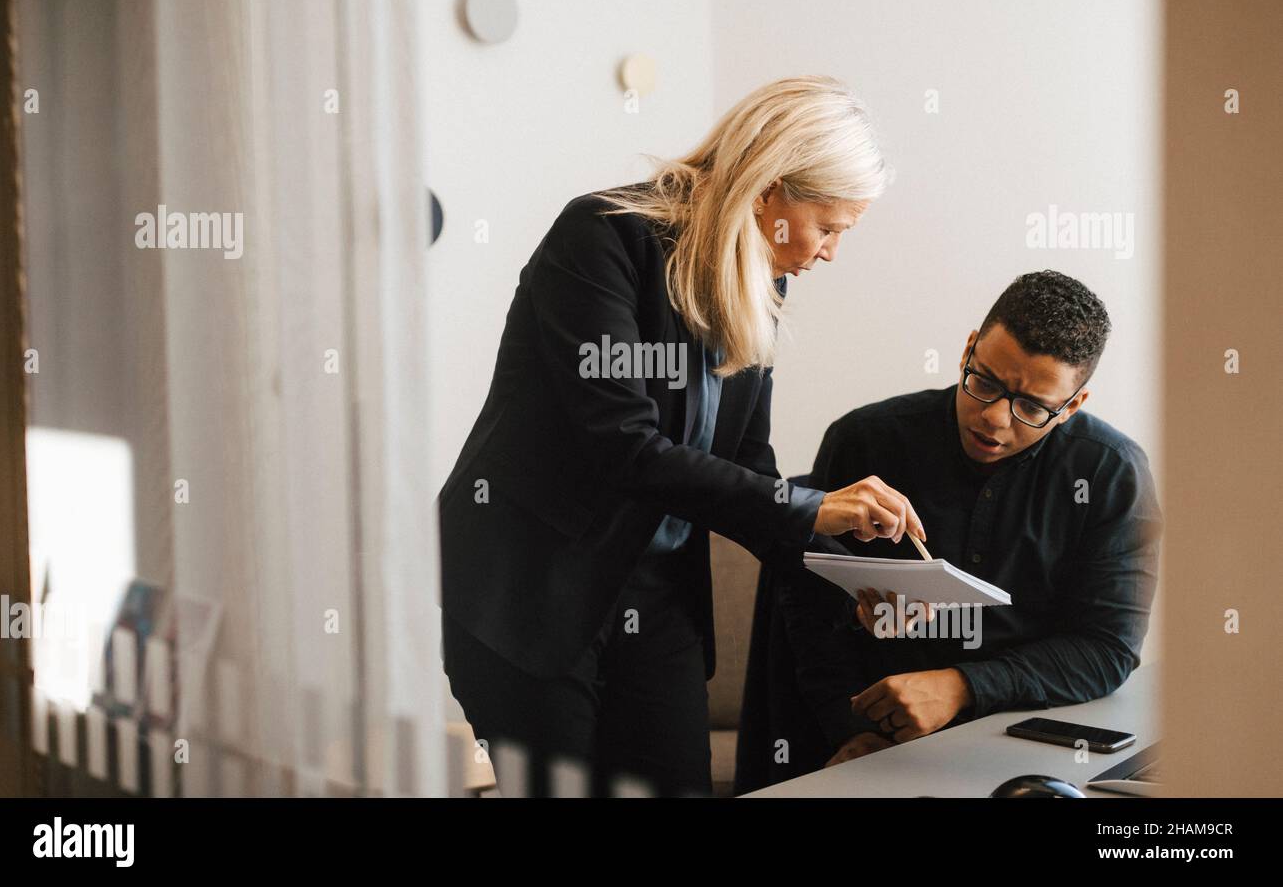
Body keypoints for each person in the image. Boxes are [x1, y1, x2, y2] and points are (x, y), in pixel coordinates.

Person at [439, 75, 926, 797]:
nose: (827, 254)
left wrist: (850, 571)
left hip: (658, 592)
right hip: (531, 591)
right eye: (829, 227)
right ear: (769, 192)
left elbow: (745, 463)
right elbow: (623, 446)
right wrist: (813, 508)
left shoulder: (762, 278)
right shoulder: (604, 236)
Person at [735, 270, 1162, 793]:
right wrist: (851, 729)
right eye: (984, 382)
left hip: (1020, 739)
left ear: (1072, 406)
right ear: (967, 351)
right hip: (858, 733)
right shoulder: (865, 439)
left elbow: (1106, 648)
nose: (994, 420)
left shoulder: (1111, 473)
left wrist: (962, 687)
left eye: (1031, 407)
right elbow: (804, 610)